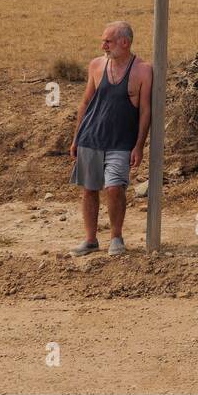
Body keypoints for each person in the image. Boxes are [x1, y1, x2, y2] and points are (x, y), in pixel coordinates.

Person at [68, 21, 153, 256]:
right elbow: (85, 102)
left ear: (124, 43)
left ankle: (116, 237)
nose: (103, 45)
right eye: (103, 40)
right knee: (89, 189)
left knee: (115, 188)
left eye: (108, 40)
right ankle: (90, 239)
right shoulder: (96, 65)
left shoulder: (143, 70)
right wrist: (76, 138)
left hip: (121, 142)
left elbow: (146, 111)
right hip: (91, 138)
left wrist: (139, 145)